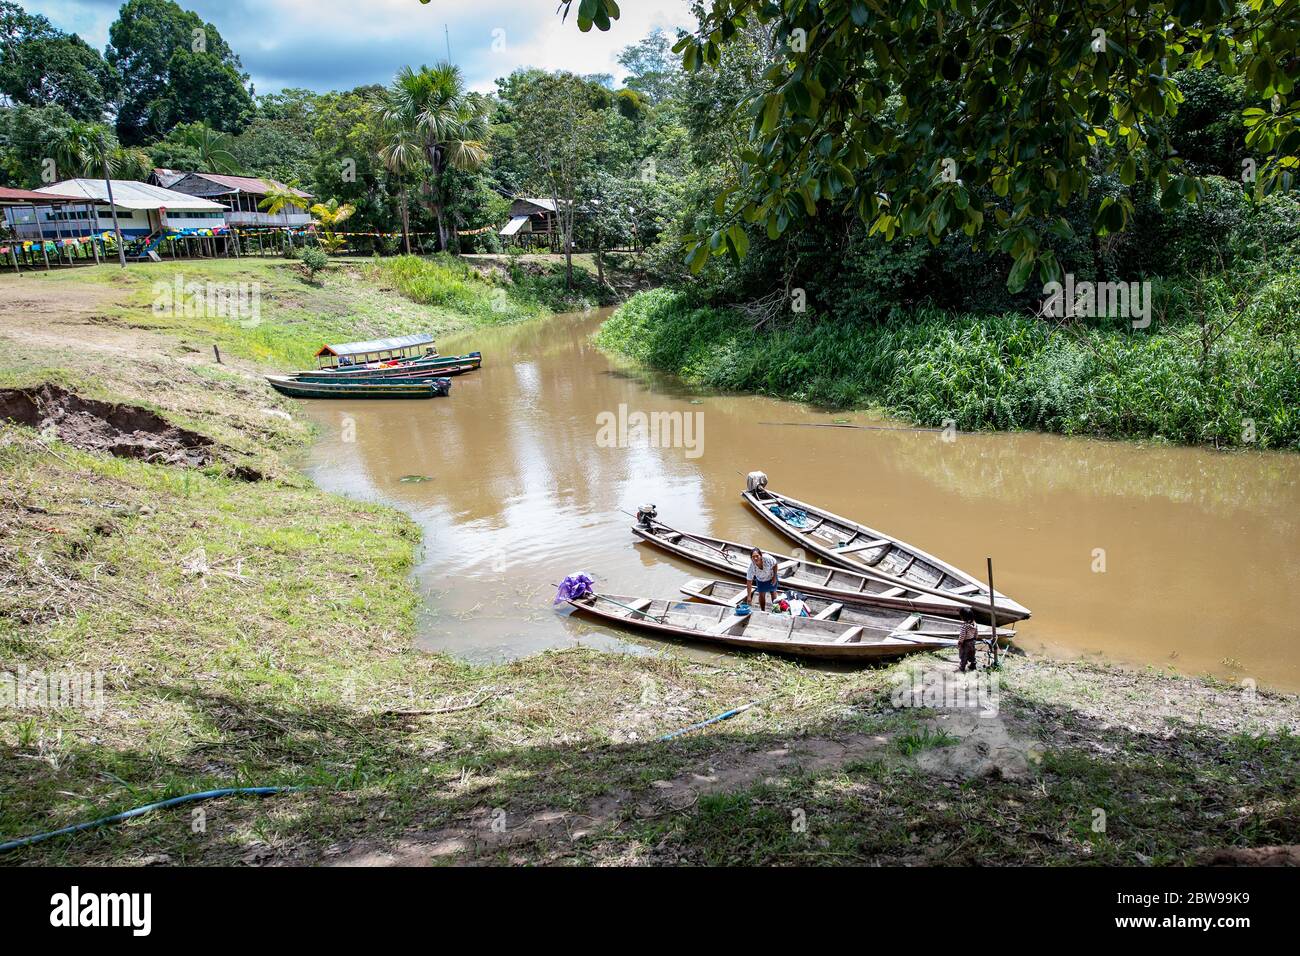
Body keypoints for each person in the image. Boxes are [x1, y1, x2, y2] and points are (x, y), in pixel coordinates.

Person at [956, 606, 978, 672]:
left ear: (963, 617)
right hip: (972, 641)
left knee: (964, 655)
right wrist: (975, 639)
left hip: (965, 643)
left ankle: (962, 667)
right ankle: (973, 665)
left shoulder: (964, 626)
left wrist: (960, 642)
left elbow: (962, 635)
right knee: (972, 654)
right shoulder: (975, 624)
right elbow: (976, 633)